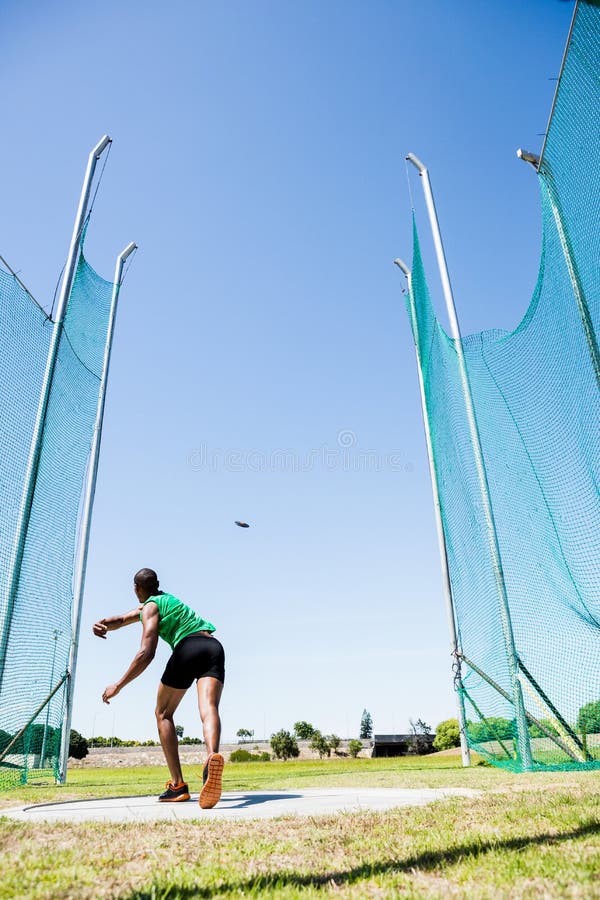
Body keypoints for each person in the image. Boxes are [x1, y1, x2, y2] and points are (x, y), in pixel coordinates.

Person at [92, 567, 225, 808]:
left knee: (163, 713)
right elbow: (123, 619)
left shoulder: (151, 606)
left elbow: (146, 653)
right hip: (213, 646)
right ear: (157, 584)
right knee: (209, 707)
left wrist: (118, 685)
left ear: (136, 589)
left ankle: (177, 785)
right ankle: (212, 757)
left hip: (188, 648)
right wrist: (103, 624)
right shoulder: (167, 600)